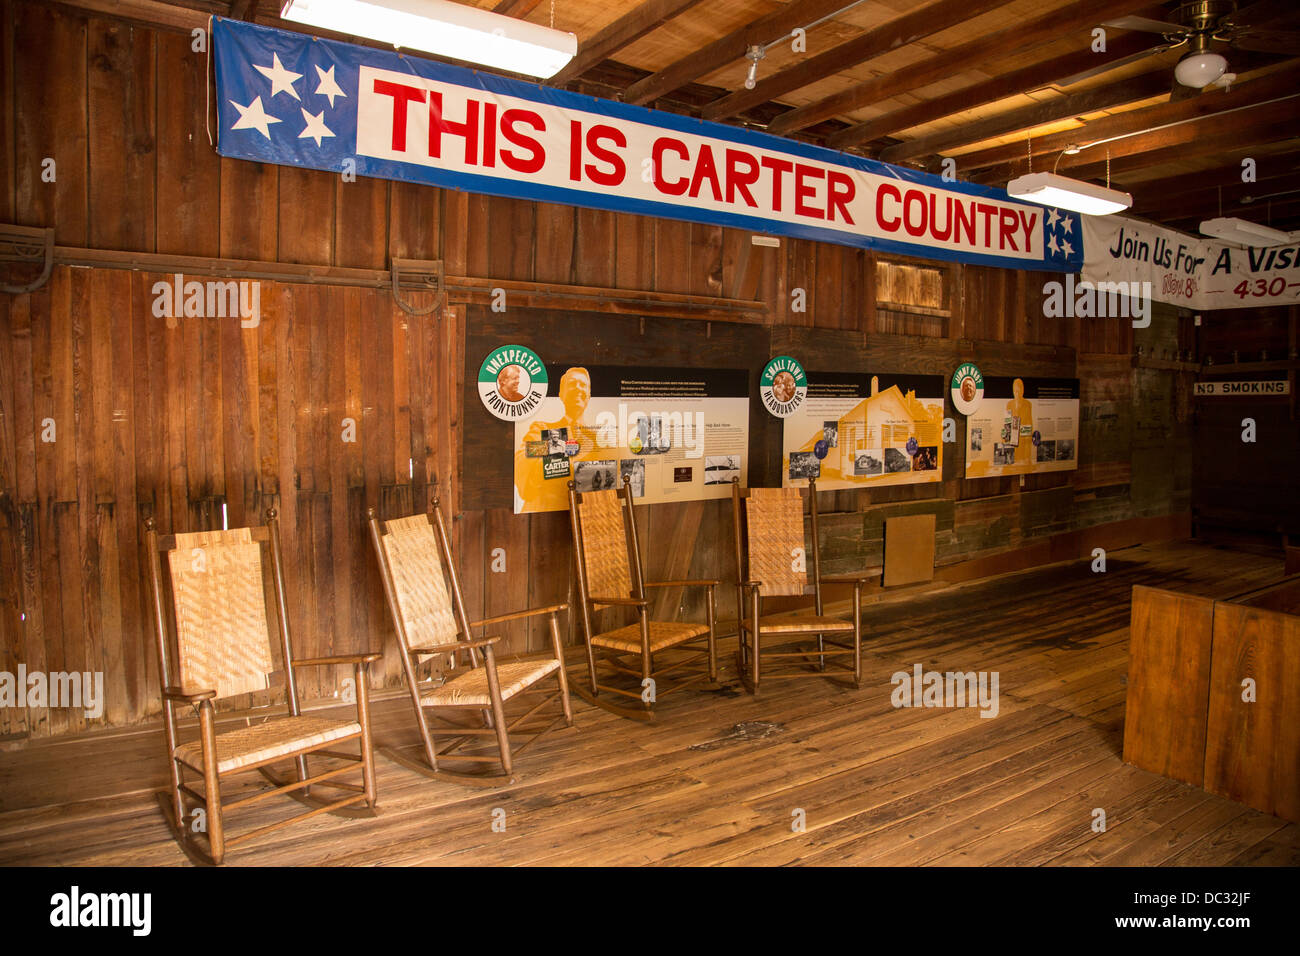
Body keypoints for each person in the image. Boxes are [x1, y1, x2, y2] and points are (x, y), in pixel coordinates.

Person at [516, 367, 601, 512]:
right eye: (573, 384)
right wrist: (572, 456)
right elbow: (523, 460)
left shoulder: (599, 439)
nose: (578, 388)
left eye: (583, 385)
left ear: (589, 395)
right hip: (545, 511)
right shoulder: (543, 429)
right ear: (561, 394)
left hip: (588, 513)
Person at [1003, 378, 1034, 470]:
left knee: (1024, 465)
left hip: (1024, 441)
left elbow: (1030, 422)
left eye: (1019, 390)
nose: (1017, 393)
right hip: (1013, 440)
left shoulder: (1028, 404)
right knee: (1012, 465)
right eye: (1015, 390)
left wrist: (1029, 437)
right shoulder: (1009, 404)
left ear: (1023, 390)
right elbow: (1007, 423)